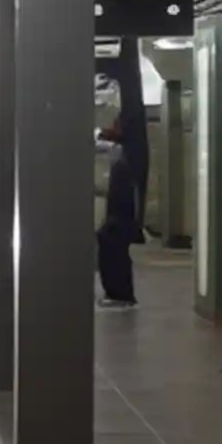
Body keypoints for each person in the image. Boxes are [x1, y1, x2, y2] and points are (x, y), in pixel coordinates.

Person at [97, 119, 138, 308]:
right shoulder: (122, 157)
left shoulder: (121, 159)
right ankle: (118, 293)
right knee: (113, 253)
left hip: (118, 218)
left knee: (115, 255)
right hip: (118, 217)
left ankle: (120, 295)